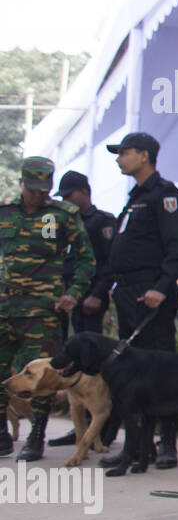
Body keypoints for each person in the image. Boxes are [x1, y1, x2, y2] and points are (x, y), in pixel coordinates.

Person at [100, 132, 178, 470]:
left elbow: (176, 249)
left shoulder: (164, 195)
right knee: (132, 376)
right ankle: (137, 447)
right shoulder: (135, 197)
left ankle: (167, 444)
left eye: (123, 153)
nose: (118, 159)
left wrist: (161, 289)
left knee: (163, 371)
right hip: (128, 295)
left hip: (152, 297)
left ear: (144, 155)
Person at [0, 157, 93, 459]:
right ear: (21, 184)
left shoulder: (63, 214)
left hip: (43, 310)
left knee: (43, 374)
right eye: (33, 189)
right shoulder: (5, 211)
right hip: (3, 306)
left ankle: (36, 436)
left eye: (45, 189)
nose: (39, 195)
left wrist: (73, 293)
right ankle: (1, 433)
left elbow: (86, 260)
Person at [54, 170, 116, 337]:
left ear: (84, 192)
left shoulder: (102, 221)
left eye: (69, 195)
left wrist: (98, 294)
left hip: (89, 295)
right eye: (63, 197)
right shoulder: (63, 222)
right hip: (65, 293)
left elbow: (111, 262)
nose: (65, 201)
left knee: (88, 345)